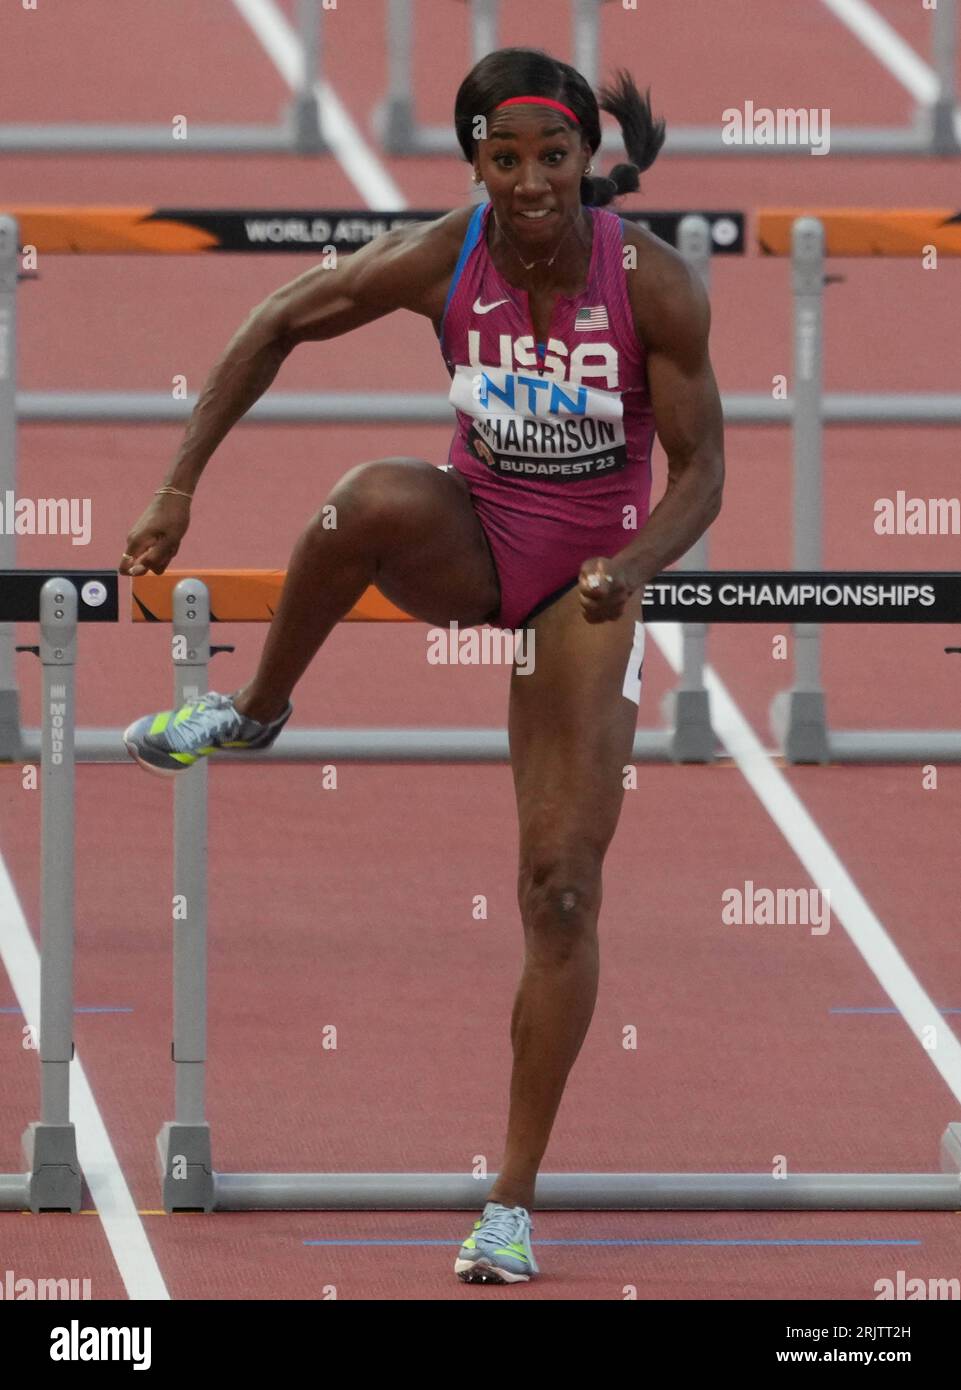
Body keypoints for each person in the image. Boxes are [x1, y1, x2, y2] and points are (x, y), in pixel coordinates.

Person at [120, 47, 724, 1285]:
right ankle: (252, 710)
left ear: (584, 161)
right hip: (475, 533)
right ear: (476, 164)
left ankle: (506, 1207)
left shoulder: (654, 286)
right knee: (362, 502)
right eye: (504, 160)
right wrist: (180, 481)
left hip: (588, 584)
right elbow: (279, 315)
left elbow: (704, 467)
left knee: (559, 887)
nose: (531, 183)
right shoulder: (447, 254)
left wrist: (642, 564)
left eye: (552, 158)